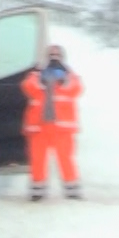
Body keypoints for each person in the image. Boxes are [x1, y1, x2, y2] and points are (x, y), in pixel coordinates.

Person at [21, 43, 85, 201]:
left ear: (63, 58)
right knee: (38, 160)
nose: (54, 58)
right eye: (51, 55)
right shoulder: (36, 75)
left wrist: (64, 78)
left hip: (61, 128)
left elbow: (76, 89)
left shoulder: (70, 76)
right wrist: (41, 77)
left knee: (66, 159)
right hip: (39, 127)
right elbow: (28, 87)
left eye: (57, 56)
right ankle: (37, 191)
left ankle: (72, 191)